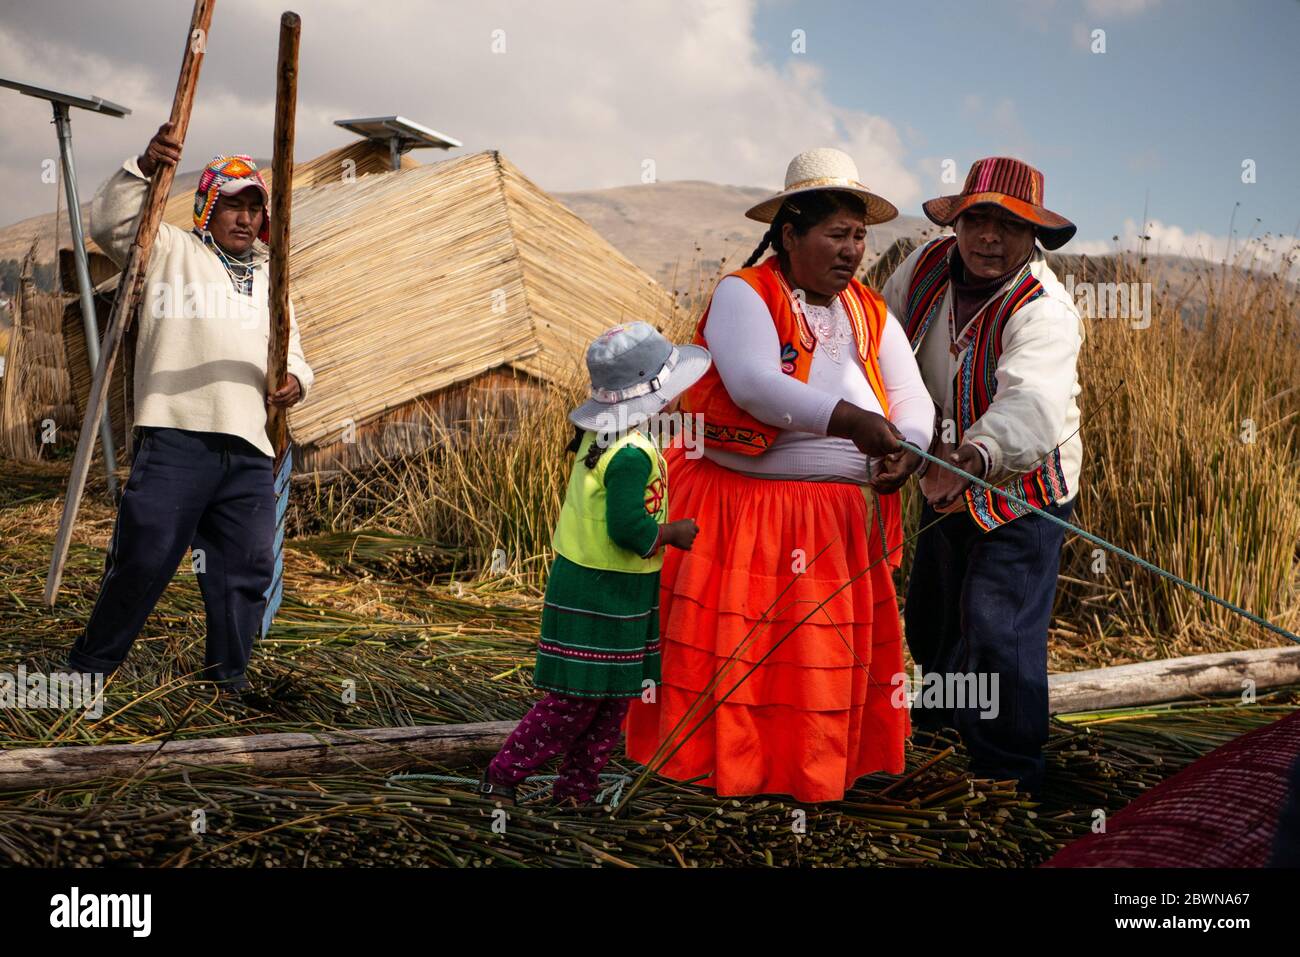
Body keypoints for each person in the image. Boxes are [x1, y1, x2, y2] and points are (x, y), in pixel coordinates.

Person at [624, 148, 935, 803]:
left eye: (859, 236)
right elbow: (755, 384)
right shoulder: (746, 293)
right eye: (835, 234)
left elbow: (913, 399)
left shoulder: (870, 313)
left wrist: (906, 446)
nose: (852, 251)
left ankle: (813, 768)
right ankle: (736, 766)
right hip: (748, 512)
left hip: (837, 523)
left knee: (814, 665)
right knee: (745, 657)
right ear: (790, 236)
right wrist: (852, 422)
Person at [67, 122, 314, 695]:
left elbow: (295, 350)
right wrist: (145, 165)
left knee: (244, 569)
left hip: (249, 447)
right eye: (233, 205)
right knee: (145, 557)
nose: (246, 218)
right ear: (207, 207)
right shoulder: (171, 251)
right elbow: (112, 224)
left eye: (255, 206)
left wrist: (296, 380)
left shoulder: (272, 277)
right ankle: (88, 673)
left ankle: (227, 682)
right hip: (177, 436)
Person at [880, 156, 1083, 794]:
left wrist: (974, 458)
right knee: (934, 618)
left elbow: (1033, 404)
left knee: (999, 628)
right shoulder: (923, 271)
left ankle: (1010, 771)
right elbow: (881, 340)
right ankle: (941, 739)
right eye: (976, 221)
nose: (988, 238)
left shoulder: (1044, 310)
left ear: (1033, 237)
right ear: (958, 223)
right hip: (940, 472)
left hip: (1022, 490)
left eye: (1008, 225)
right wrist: (891, 433)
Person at [480, 322, 711, 805]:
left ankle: (576, 789)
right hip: (600, 594)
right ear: (657, 397)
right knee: (577, 699)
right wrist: (673, 533)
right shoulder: (629, 454)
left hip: (608, 588)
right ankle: (503, 775)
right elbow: (628, 529)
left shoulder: (604, 437)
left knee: (610, 699)